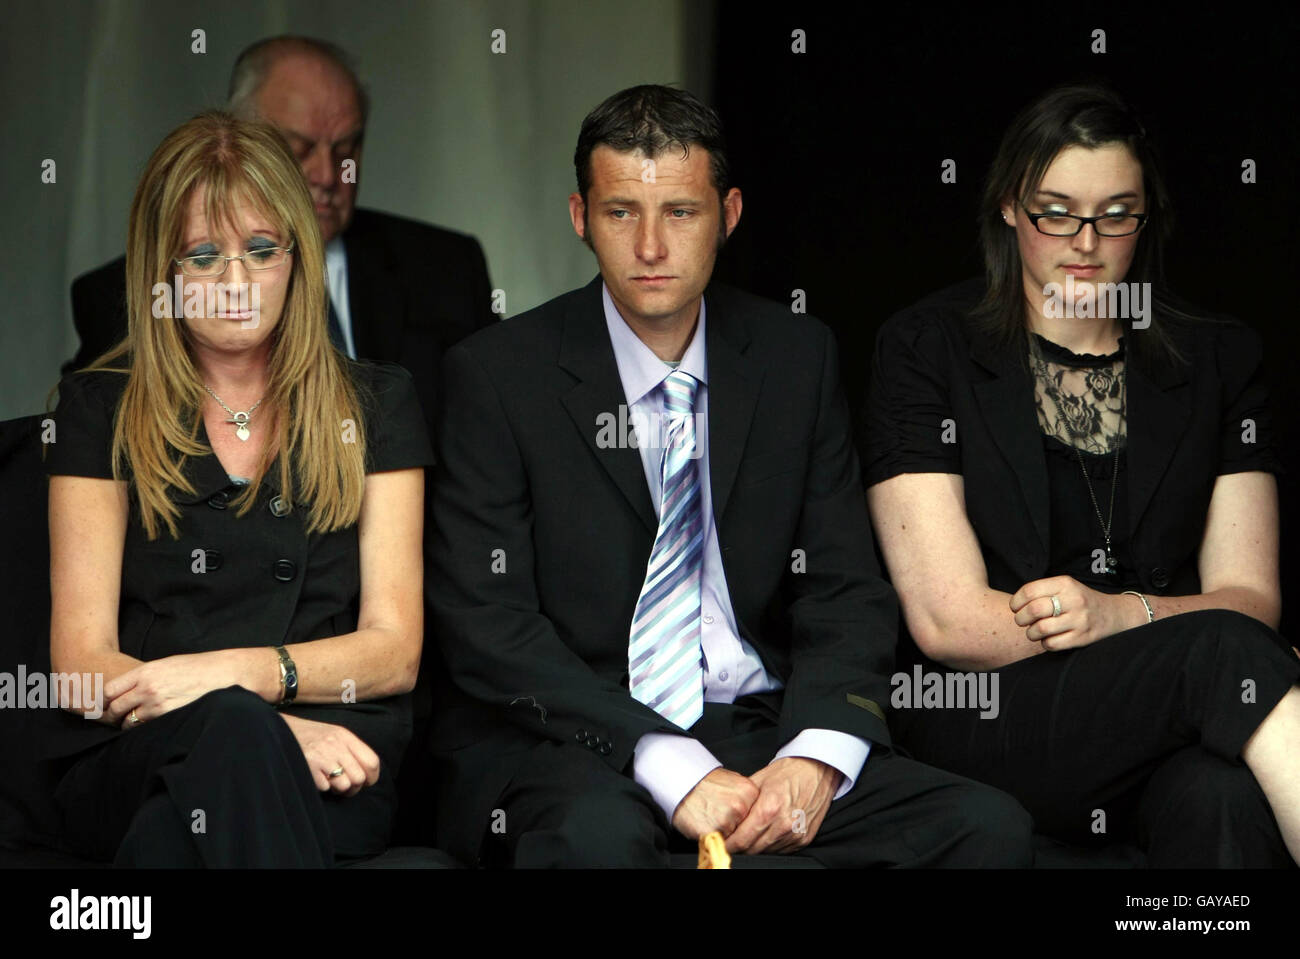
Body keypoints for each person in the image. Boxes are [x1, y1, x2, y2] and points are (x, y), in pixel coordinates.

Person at [426, 84, 1034, 868]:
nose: (650, 246)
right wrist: (669, 763)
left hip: (759, 723)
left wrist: (817, 753)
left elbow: (844, 585)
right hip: (577, 738)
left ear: (730, 213)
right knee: (595, 843)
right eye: (621, 213)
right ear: (581, 218)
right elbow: (486, 621)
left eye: (680, 211)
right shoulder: (495, 374)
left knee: (987, 829)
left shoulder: (795, 357)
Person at [862, 82, 1300, 867]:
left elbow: (1252, 598)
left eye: (1116, 213)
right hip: (985, 710)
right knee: (1223, 653)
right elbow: (948, 622)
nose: (1086, 242)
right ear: (1007, 207)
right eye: (1055, 212)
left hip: (1169, 715)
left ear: (1147, 217)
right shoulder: (927, 348)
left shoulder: (1219, 356)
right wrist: (1162, 641)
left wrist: (1121, 616)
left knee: (1221, 795)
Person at [42, 110, 433, 866]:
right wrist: (268, 727)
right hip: (145, 750)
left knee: (179, 833)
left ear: (299, 255)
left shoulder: (379, 404)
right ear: (162, 271)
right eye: (202, 256)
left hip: (339, 757)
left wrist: (242, 678)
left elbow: (395, 651)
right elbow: (83, 665)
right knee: (229, 757)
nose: (235, 283)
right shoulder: (99, 408)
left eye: (261, 250)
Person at [65, 34, 495, 441]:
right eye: (299, 148)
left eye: (347, 147)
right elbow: (92, 448)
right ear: (235, 146)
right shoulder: (125, 294)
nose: (328, 175)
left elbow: (491, 442)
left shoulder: (447, 267)